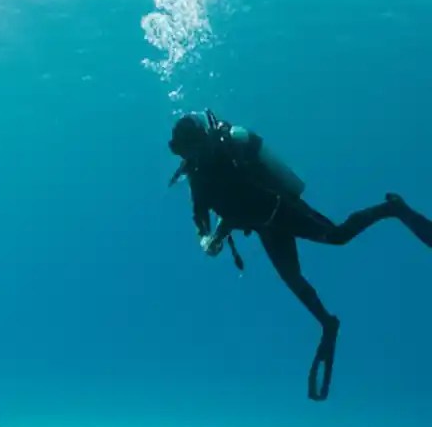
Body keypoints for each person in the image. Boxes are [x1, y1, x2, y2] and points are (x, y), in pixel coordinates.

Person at [167, 109, 432, 401]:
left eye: (195, 146)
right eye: (187, 150)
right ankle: (328, 323)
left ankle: (392, 209)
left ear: (204, 137)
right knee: (294, 279)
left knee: (337, 236)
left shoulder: (230, 146)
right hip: (264, 226)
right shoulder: (195, 177)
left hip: (281, 209)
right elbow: (201, 222)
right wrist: (209, 241)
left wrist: (215, 235)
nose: (195, 155)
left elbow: (242, 192)